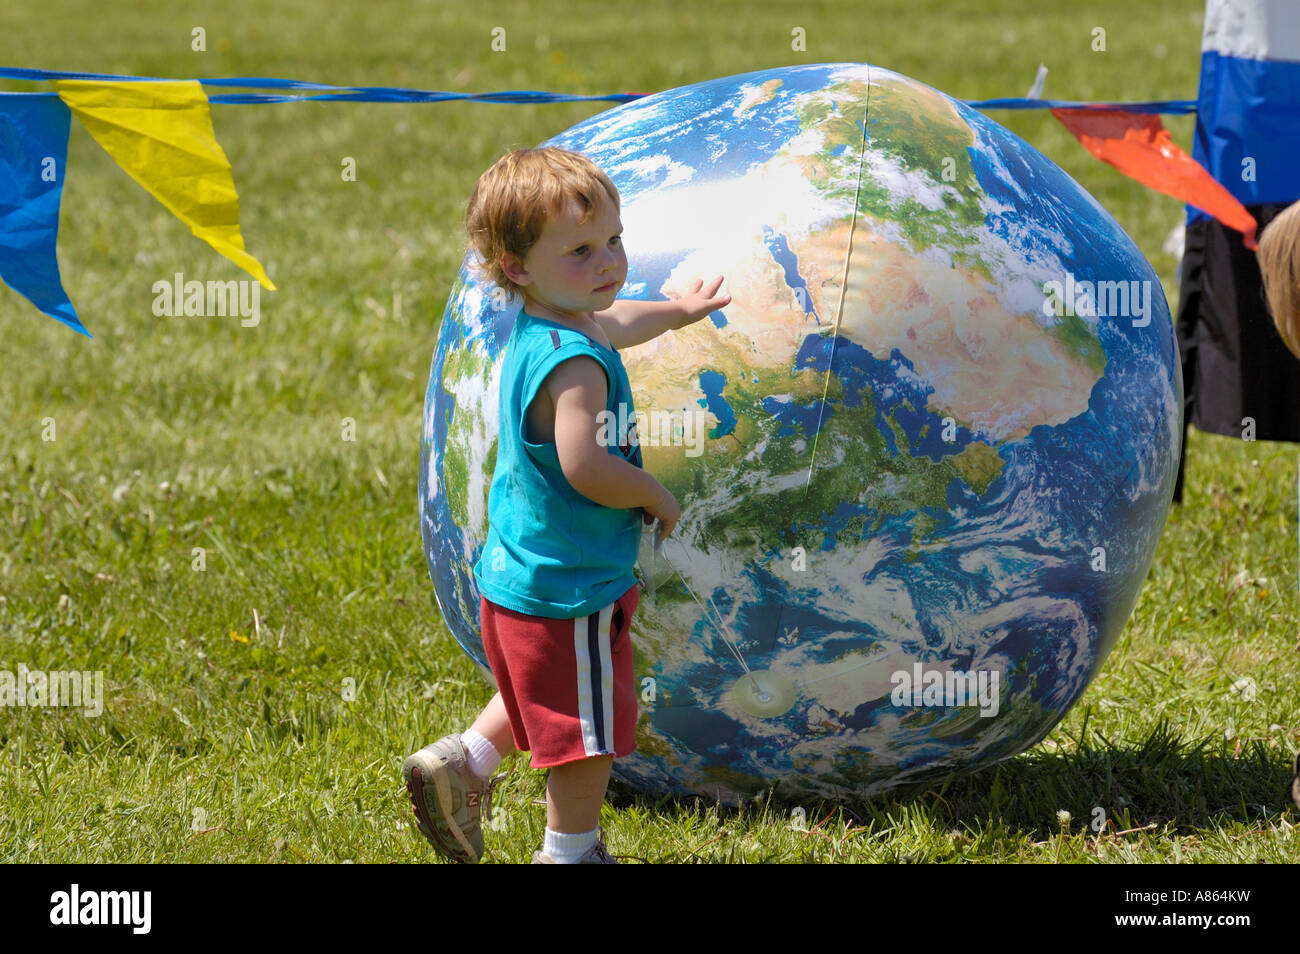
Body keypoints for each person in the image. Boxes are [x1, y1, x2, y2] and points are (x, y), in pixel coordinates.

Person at [403, 146, 730, 863]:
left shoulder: (548, 326)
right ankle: (571, 851)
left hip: (520, 575)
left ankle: (464, 763)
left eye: (613, 239)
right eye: (582, 249)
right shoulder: (576, 364)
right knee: (587, 732)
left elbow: (619, 322)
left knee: (544, 694)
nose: (609, 261)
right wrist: (652, 492)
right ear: (518, 266)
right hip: (568, 587)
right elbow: (585, 464)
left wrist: (678, 311)